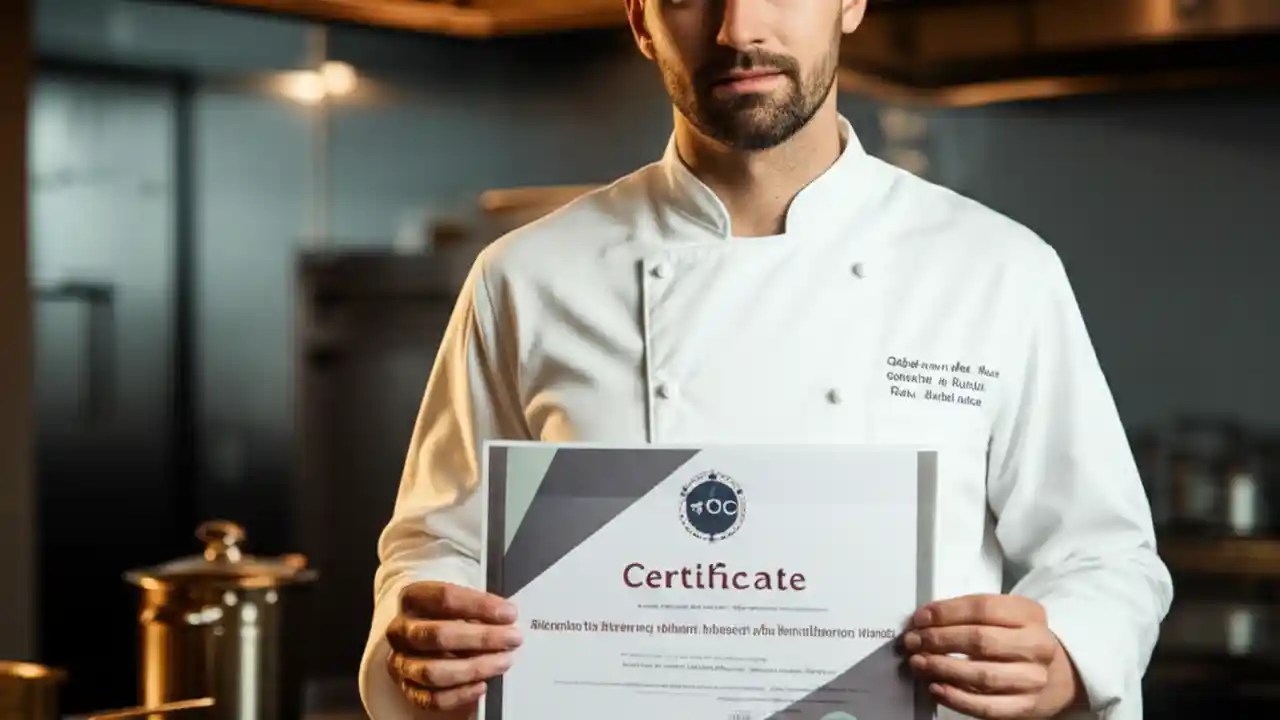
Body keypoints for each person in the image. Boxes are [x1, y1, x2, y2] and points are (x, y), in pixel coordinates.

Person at [358, 1, 1173, 718]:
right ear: (641, 20)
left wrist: (1066, 658)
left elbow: (1103, 556)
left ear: (850, 3)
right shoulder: (527, 276)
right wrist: (425, 629)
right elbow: (436, 543)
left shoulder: (996, 269)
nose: (738, 27)